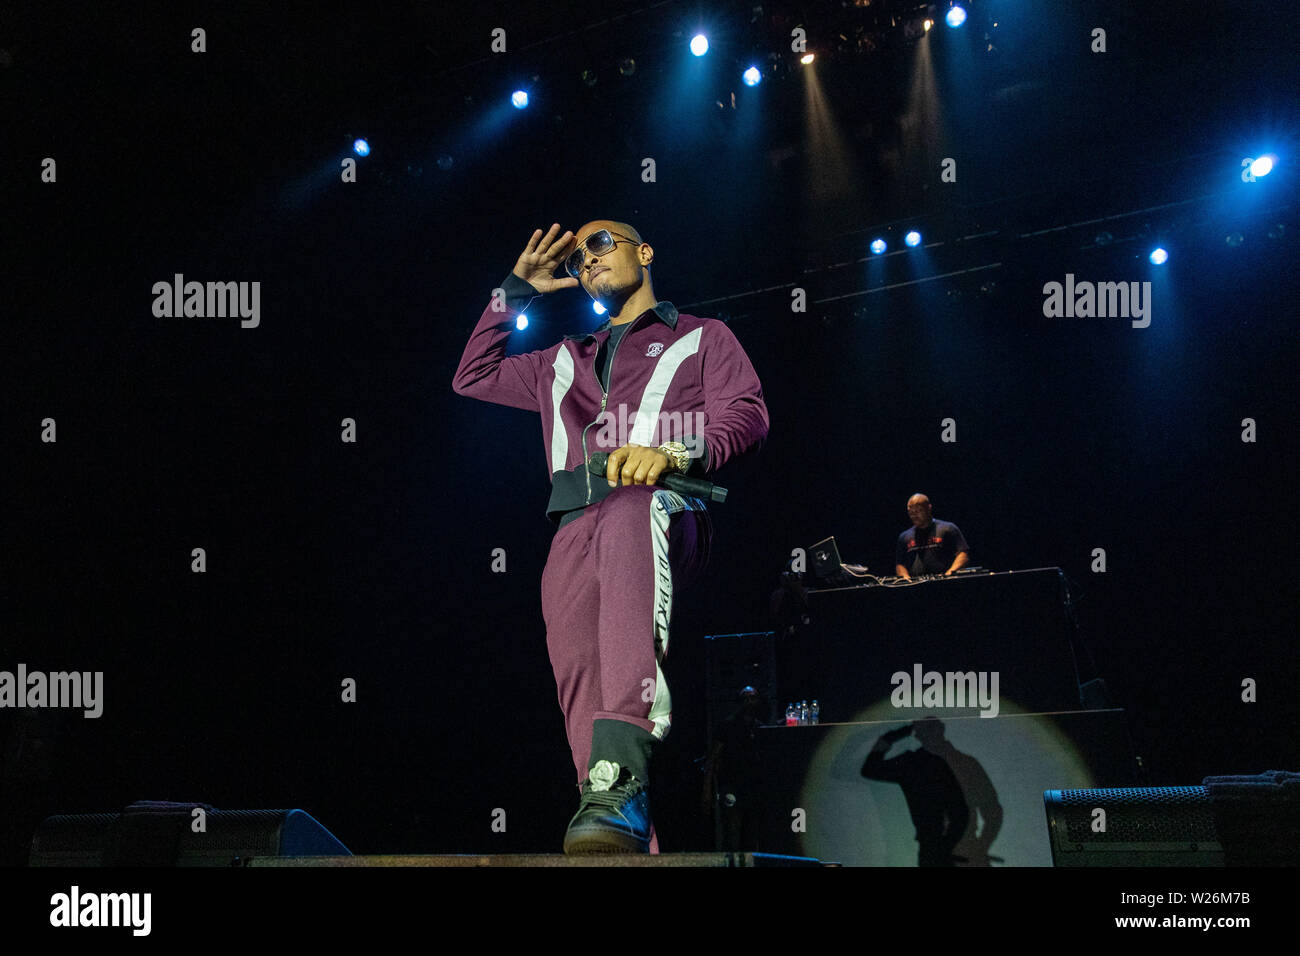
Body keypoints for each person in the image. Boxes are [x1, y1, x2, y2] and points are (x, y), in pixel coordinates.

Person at [452, 221, 769, 853]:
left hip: (665, 505)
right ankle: (613, 816)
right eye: (576, 259)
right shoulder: (558, 360)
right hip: (574, 527)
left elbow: (748, 414)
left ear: (644, 252)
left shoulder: (701, 336)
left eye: (600, 244)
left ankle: (622, 764)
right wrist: (516, 292)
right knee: (579, 676)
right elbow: (472, 374)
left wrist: (676, 452)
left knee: (631, 512)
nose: (586, 261)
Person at [894, 493, 970, 579]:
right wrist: (905, 578)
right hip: (915, 586)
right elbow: (900, 564)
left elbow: (963, 554)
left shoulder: (948, 528)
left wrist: (949, 574)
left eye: (918, 511)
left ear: (929, 508)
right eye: (910, 512)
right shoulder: (904, 536)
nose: (914, 515)